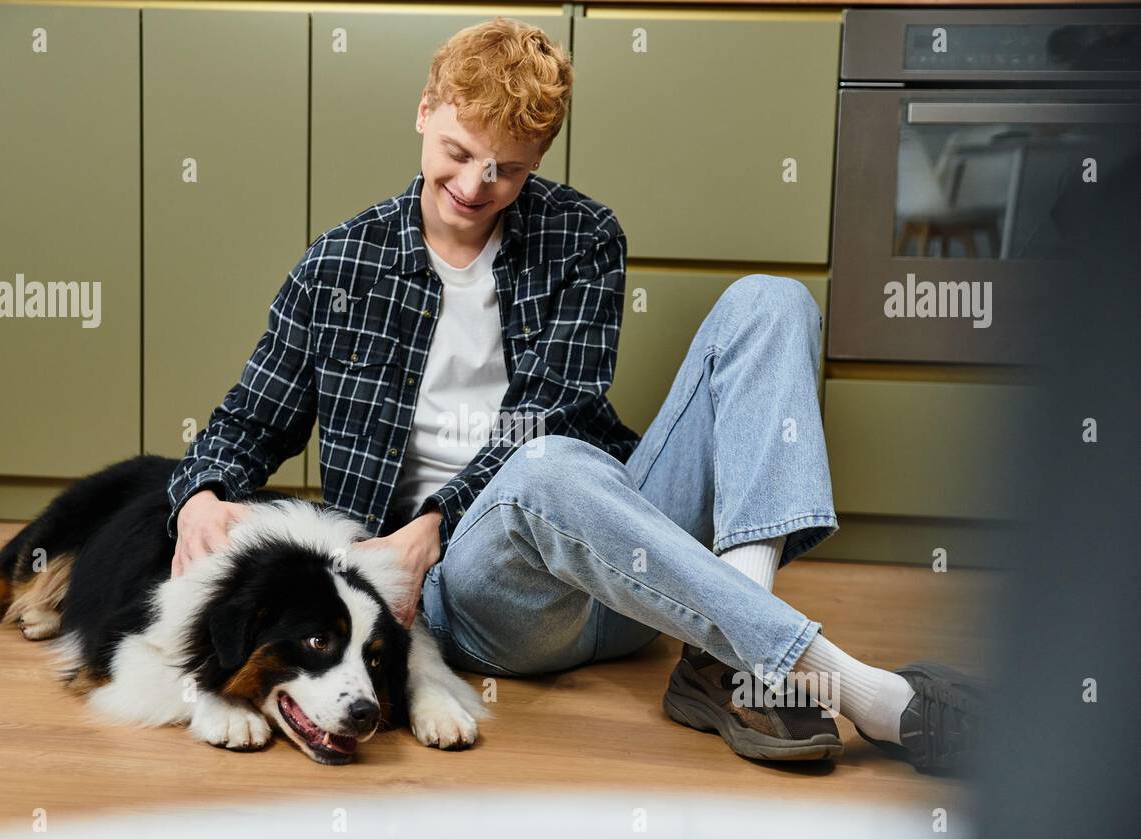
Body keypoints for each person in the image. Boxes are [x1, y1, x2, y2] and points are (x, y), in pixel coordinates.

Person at [166, 17, 984, 774]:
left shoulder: (584, 236)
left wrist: (431, 518)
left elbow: (552, 407)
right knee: (546, 466)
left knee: (772, 303)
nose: (475, 185)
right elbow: (244, 423)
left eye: (508, 169)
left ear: (540, 157)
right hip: (468, 596)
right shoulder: (339, 265)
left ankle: (732, 659)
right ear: (424, 110)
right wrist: (199, 494)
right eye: (457, 150)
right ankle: (869, 695)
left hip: (621, 557)